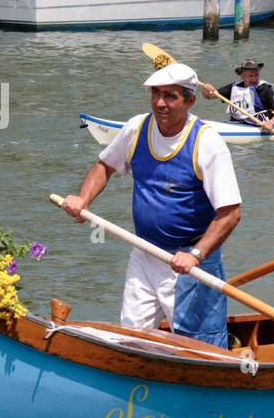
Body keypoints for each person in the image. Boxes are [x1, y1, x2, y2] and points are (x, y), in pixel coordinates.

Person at [61, 62, 242, 346]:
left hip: (190, 263)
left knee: (200, 349)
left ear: (190, 100)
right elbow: (103, 165)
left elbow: (230, 213)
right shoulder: (136, 128)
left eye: (170, 96)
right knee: (128, 339)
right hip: (144, 253)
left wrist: (195, 254)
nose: (160, 103)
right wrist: (83, 199)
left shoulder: (207, 143)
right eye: (155, 94)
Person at [201, 59, 274, 132]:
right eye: (250, 76)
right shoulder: (233, 88)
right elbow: (209, 96)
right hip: (235, 124)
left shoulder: (265, 89)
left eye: (256, 75)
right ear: (242, 76)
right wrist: (206, 90)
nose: (254, 79)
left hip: (259, 126)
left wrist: (272, 122)